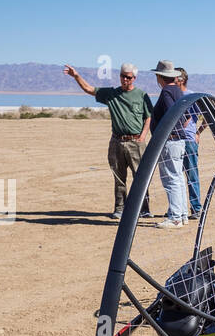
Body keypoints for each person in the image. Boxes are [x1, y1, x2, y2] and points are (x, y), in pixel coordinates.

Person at [64, 62, 153, 218]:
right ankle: (120, 208)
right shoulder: (111, 94)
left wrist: (143, 136)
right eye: (122, 76)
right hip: (117, 141)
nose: (125, 80)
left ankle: (144, 209)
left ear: (134, 78)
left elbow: (148, 117)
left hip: (136, 142)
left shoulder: (141, 95)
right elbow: (89, 89)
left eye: (128, 77)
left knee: (140, 177)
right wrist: (76, 76)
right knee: (119, 177)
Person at [149, 60, 189, 228]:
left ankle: (175, 217)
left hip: (170, 140)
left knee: (170, 178)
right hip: (179, 140)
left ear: (160, 77)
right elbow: (186, 116)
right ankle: (182, 214)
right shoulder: (178, 91)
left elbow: (171, 114)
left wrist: (167, 132)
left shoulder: (166, 92)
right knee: (178, 177)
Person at [175, 67, 206, 217]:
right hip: (175, 140)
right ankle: (179, 209)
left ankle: (196, 208)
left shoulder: (192, 96)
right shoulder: (173, 96)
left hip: (188, 140)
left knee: (192, 174)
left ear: (180, 80)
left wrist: (198, 132)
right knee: (176, 176)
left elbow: (209, 116)